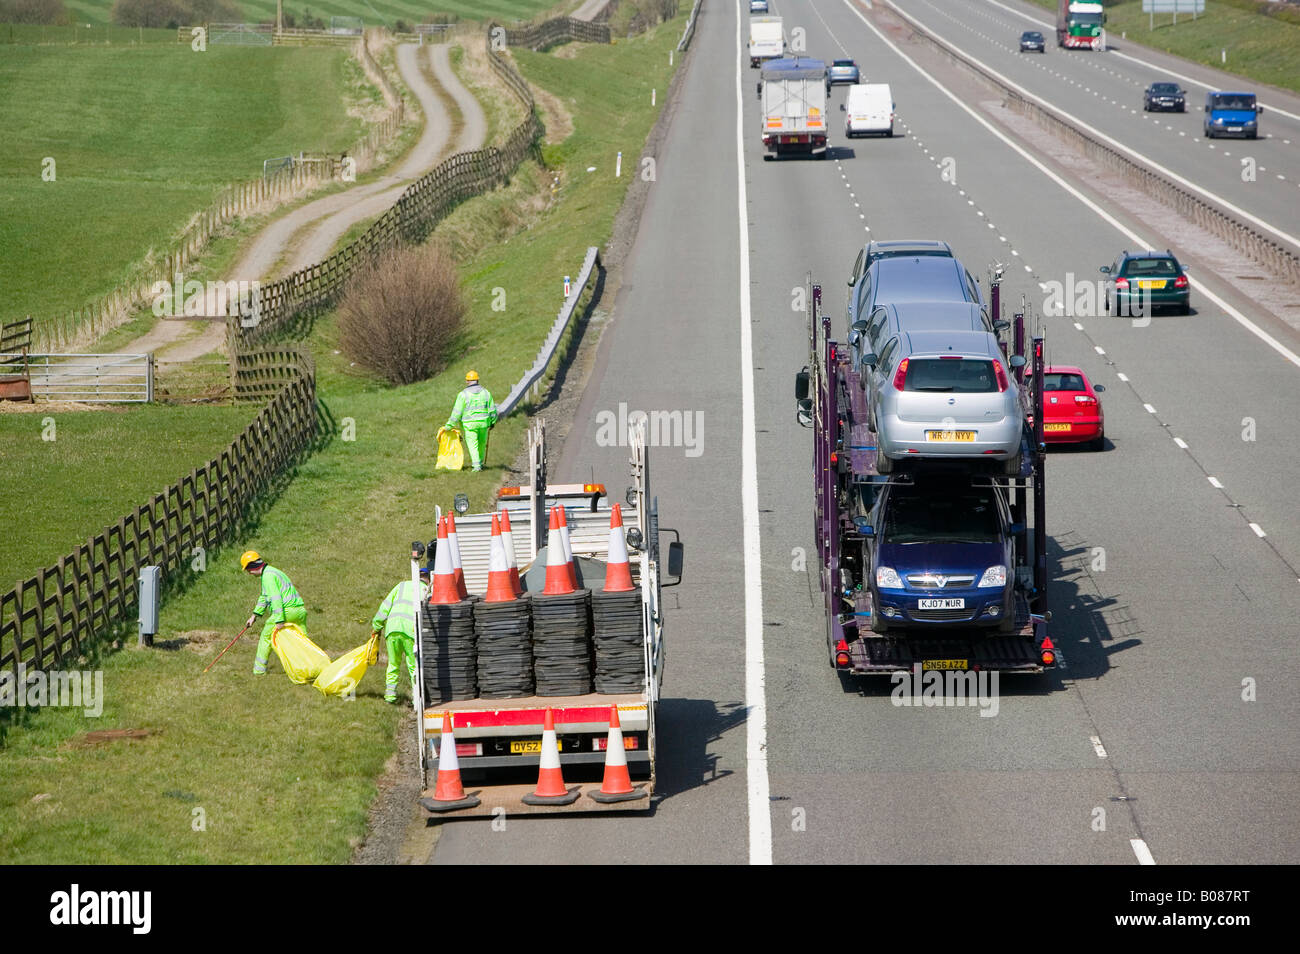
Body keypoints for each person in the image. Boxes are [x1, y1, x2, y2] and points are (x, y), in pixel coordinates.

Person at [241, 550, 307, 676]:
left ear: (252, 566)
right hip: (300, 611)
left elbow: (276, 598)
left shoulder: (268, 577)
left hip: (287, 612)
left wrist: (279, 620)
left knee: (266, 637)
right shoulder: (272, 571)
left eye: (248, 570)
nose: (249, 573)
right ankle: (308, 667)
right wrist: (254, 616)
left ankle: (259, 670)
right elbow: (264, 597)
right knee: (302, 640)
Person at [372, 567, 431, 704]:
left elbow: (384, 607)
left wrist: (376, 626)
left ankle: (390, 697)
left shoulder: (401, 586)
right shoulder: (426, 591)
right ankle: (417, 700)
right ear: (428, 579)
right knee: (413, 666)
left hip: (392, 629)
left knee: (393, 664)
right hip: (410, 632)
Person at [445, 370, 497, 472]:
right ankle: (480, 463)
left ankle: (476, 466)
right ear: (477, 380)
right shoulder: (486, 393)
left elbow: (456, 413)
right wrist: (493, 421)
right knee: (482, 443)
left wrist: (449, 426)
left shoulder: (463, 395)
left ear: (467, 381)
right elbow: (492, 410)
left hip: (470, 425)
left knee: (473, 444)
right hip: (483, 423)